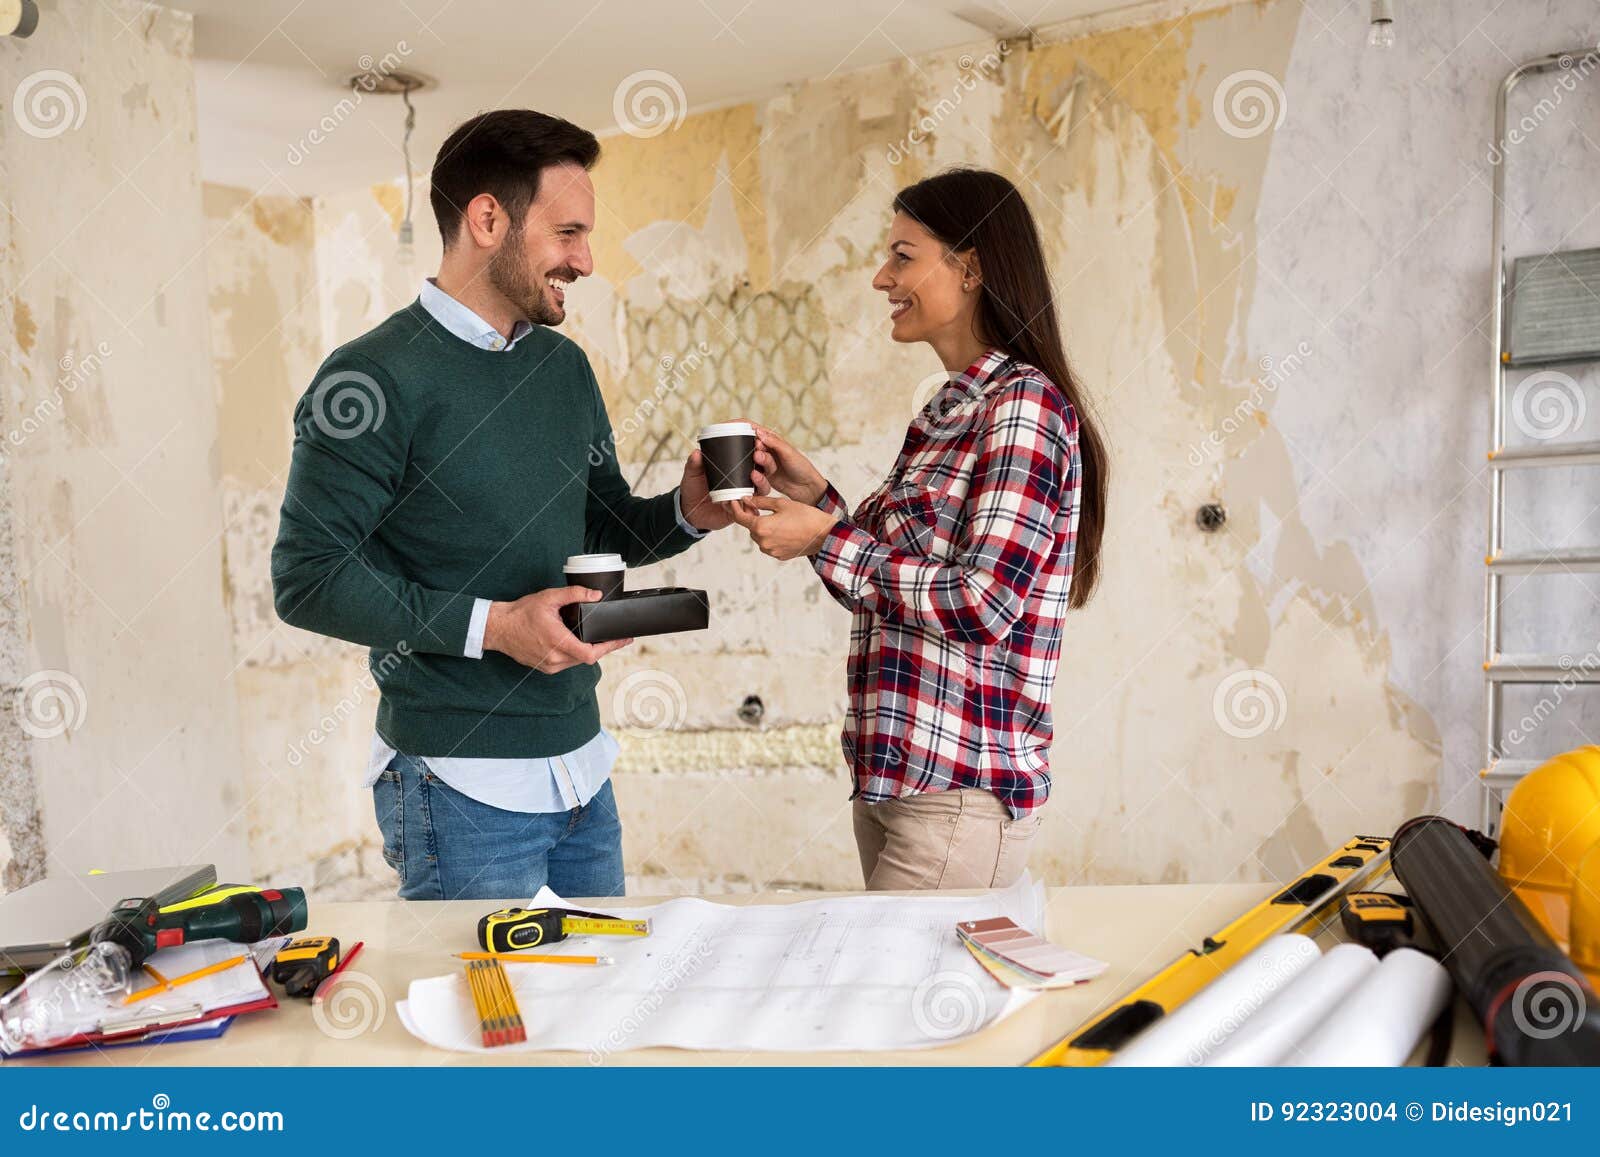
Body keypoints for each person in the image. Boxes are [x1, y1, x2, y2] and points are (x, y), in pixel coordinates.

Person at [271, 110, 744, 901]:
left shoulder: (563, 368)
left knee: (596, 1001)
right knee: (484, 1014)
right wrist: (496, 626)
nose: (587, 260)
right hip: (459, 782)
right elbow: (308, 578)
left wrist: (687, 512)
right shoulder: (371, 379)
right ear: (488, 218)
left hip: (582, 771)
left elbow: (598, 524)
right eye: (568, 233)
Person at [728, 167, 1109, 891]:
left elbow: (983, 600)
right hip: (897, 787)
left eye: (903, 255)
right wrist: (819, 501)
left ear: (970, 267)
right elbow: (895, 582)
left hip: (958, 795)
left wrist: (821, 538)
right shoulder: (949, 408)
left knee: (902, 1003)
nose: (881, 277)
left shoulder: (1021, 406)